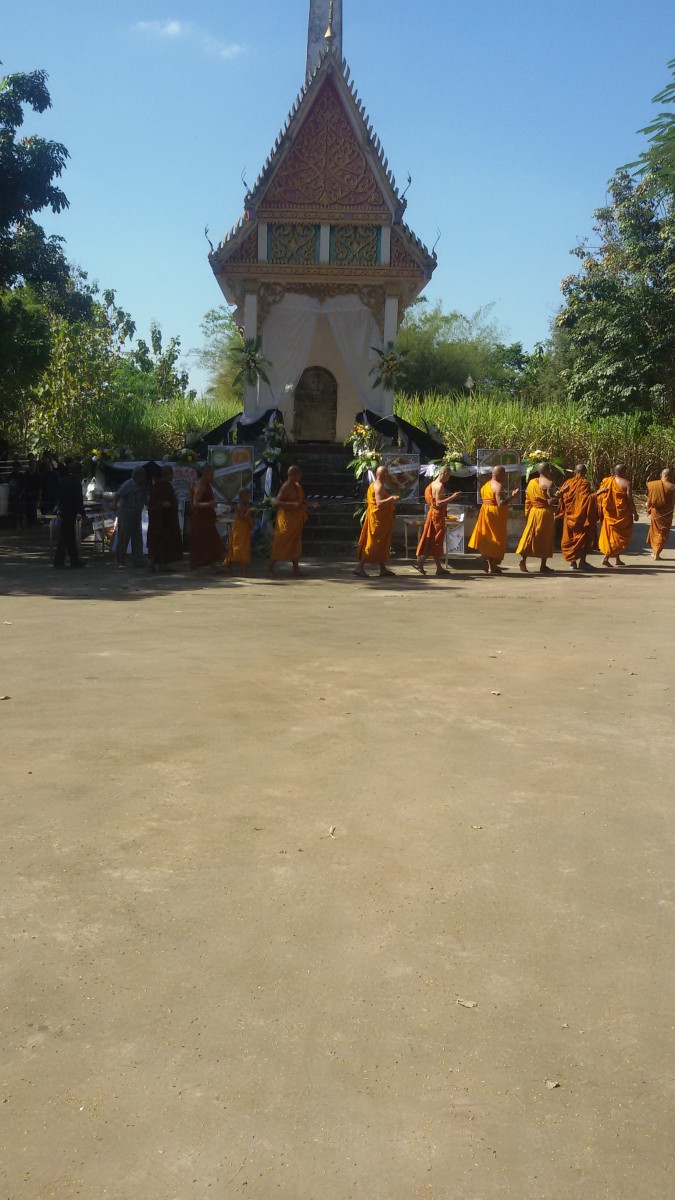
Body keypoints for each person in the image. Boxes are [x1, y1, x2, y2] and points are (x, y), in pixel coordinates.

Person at [468, 466, 520, 575]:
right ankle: (490, 566)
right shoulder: (498, 486)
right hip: (494, 515)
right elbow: (500, 503)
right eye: (503, 474)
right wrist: (512, 497)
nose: (505, 477)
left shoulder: (486, 485)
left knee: (489, 539)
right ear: (497, 474)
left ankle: (491, 565)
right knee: (495, 541)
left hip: (486, 512)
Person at [413, 467, 462, 576]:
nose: (448, 478)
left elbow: (435, 502)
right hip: (437, 516)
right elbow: (439, 503)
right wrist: (453, 497)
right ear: (444, 473)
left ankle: (439, 568)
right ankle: (420, 561)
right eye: (448, 476)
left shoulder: (432, 484)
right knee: (435, 540)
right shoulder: (439, 486)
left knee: (433, 539)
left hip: (433, 514)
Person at [355, 465, 400, 578]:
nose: (388, 476)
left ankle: (382, 568)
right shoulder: (378, 486)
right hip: (378, 520)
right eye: (387, 474)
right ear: (383, 475)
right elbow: (379, 503)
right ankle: (359, 567)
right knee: (373, 543)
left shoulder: (375, 485)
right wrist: (391, 498)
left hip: (379, 518)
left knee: (381, 543)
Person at [555, 463, 598, 571]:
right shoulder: (585, 483)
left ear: (574, 471)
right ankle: (582, 562)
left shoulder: (568, 483)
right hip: (582, 519)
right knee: (584, 538)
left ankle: (573, 563)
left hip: (569, 517)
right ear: (585, 472)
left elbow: (562, 499)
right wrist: (598, 494)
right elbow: (587, 499)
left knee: (570, 538)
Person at [269, 466, 310, 577]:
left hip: (295, 519)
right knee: (281, 542)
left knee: (295, 543)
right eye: (298, 475)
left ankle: (296, 569)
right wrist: (292, 504)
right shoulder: (286, 486)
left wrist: (308, 505)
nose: (299, 478)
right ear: (291, 475)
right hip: (286, 519)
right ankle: (270, 566)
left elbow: (301, 501)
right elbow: (277, 502)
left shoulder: (297, 487)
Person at [516, 462, 557, 573]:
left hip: (533, 512)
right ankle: (543, 565)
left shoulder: (531, 482)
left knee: (530, 536)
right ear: (548, 470)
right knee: (545, 538)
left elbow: (528, 498)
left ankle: (523, 559)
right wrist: (560, 493)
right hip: (544, 513)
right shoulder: (549, 483)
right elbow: (550, 501)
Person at [597, 463, 638, 568]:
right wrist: (635, 512)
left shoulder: (607, 481)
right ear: (624, 472)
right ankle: (605, 558)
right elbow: (629, 499)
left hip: (610, 514)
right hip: (622, 515)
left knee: (612, 536)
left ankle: (617, 559)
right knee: (618, 538)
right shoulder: (627, 483)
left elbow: (600, 497)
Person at [189, 464, 225, 573]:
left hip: (207, 518)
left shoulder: (207, 484)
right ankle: (196, 564)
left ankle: (212, 566)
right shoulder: (201, 485)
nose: (213, 476)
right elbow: (195, 504)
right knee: (202, 541)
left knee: (212, 541)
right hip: (200, 519)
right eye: (211, 474)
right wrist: (209, 504)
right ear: (205, 473)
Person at [147, 466, 183, 572]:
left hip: (168, 519)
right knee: (157, 541)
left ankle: (163, 565)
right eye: (172, 473)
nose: (173, 475)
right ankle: (152, 563)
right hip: (160, 519)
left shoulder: (167, 485)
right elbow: (152, 503)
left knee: (166, 542)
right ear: (168, 474)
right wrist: (162, 504)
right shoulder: (158, 486)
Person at [113, 467, 147, 568]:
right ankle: (120, 561)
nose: (144, 478)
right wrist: (114, 505)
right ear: (137, 476)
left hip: (137, 513)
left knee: (137, 538)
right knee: (123, 537)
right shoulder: (127, 484)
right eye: (142, 476)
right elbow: (117, 495)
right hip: (126, 513)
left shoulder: (142, 485)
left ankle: (138, 560)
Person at [53, 462, 85, 569]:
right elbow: (78, 500)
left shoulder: (63, 480)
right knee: (65, 537)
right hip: (70, 512)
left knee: (70, 536)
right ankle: (58, 561)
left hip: (62, 510)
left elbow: (57, 494)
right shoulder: (76, 483)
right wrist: (83, 514)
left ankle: (74, 560)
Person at [645, 467, 674, 560]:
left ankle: (655, 553)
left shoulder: (653, 485)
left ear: (661, 475)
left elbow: (650, 499)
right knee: (663, 533)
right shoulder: (673, 487)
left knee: (656, 532)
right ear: (670, 476)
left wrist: (648, 509)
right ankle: (656, 553)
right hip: (667, 513)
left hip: (656, 512)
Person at [226, 487, 255, 574]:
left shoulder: (246, 505)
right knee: (239, 549)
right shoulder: (239, 506)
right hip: (239, 530)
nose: (248, 498)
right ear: (242, 496)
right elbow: (243, 518)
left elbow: (248, 517)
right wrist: (250, 511)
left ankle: (229, 564)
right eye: (247, 496)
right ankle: (243, 570)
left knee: (244, 549)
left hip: (245, 530)